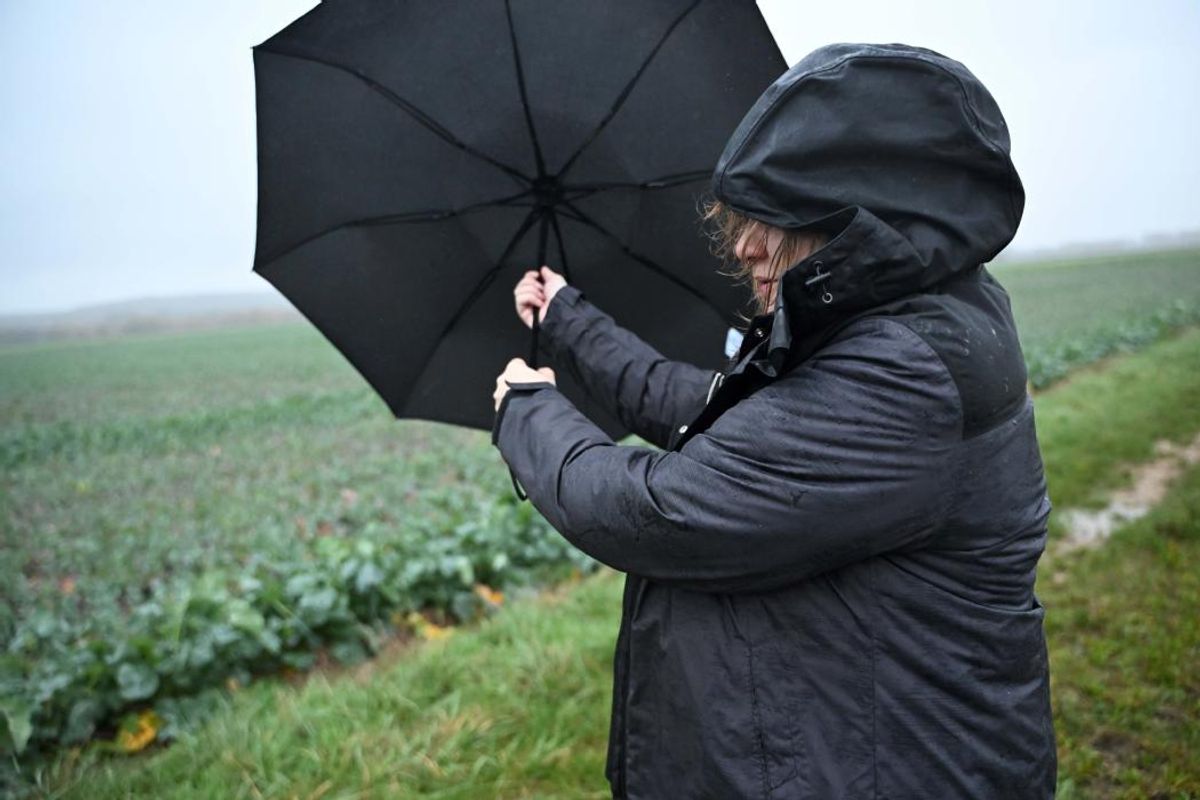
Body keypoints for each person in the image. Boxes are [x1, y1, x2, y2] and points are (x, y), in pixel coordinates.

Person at [491, 43, 1056, 799]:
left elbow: (663, 512)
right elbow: (702, 407)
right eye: (741, 218)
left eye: (773, 218)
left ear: (858, 214)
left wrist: (527, 411)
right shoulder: (899, 329)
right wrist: (566, 316)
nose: (745, 245)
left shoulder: (903, 372)